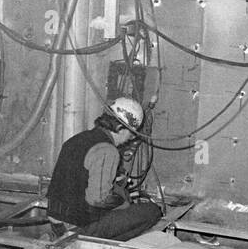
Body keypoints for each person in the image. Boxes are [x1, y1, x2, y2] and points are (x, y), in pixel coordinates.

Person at [46, 97, 162, 240]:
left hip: (57, 219)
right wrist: (124, 200)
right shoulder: (107, 150)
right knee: (152, 211)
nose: (131, 138)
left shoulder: (77, 139)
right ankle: (97, 248)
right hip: (76, 227)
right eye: (131, 132)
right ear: (120, 128)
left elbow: (77, 180)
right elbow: (97, 200)